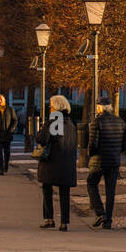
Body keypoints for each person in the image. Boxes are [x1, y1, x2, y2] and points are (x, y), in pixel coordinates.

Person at [36, 95, 78, 231]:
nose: (50, 108)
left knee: (47, 188)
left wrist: (40, 130)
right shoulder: (71, 123)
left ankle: (49, 219)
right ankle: (64, 222)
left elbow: (42, 139)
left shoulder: (53, 122)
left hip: (52, 162)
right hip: (67, 162)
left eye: (51, 106)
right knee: (64, 192)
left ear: (56, 107)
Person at [86, 96, 126, 230]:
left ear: (99, 107)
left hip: (99, 160)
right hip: (114, 161)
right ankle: (108, 221)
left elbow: (93, 144)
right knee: (111, 191)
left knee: (91, 183)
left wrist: (90, 153)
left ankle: (100, 213)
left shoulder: (97, 122)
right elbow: (125, 145)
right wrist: (115, 152)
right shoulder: (120, 122)